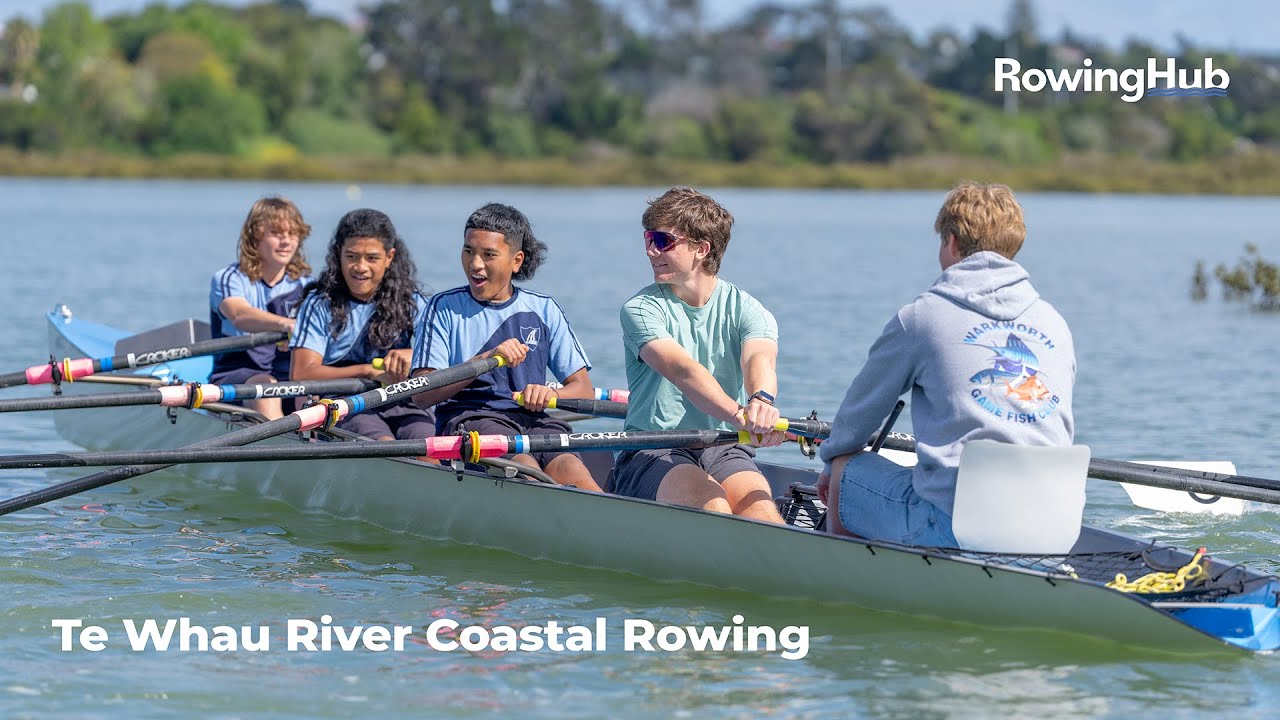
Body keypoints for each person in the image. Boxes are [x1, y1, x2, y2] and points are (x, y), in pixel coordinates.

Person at [818, 181, 1076, 546]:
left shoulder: (923, 317)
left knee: (844, 468)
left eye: (941, 243)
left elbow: (857, 418)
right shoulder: (1054, 323)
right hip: (1053, 528)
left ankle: (850, 579)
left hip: (957, 526)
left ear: (952, 242)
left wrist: (829, 461)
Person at [610, 186, 786, 523]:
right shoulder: (640, 309)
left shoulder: (749, 310)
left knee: (761, 511)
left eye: (662, 241)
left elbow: (758, 359)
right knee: (713, 504)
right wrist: (742, 417)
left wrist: (761, 401)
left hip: (724, 444)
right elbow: (684, 372)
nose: (650, 250)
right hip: (652, 447)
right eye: (648, 239)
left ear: (701, 249)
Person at [409, 203, 602, 492]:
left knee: (570, 466)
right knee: (523, 462)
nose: (475, 264)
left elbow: (583, 390)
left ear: (516, 260)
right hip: (472, 419)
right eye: (468, 251)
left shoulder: (544, 309)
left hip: (536, 421)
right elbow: (421, 395)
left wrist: (550, 394)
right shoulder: (443, 308)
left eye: (488, 255)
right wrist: (486, 359)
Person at [289, 208, 435, 441]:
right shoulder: (320, 303)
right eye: (352, 256)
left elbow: (444, 356)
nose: (361, 267)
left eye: (372, 258)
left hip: (401, 398)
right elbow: (301, 373)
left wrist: (415, 354)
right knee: (384, 444)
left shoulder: (412, 301)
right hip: (344, 403)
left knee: (429, 449)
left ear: (389, 258)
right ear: (339, 254)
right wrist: (367, 371)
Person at [209, 196, 312, 420]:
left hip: (290, 374)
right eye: (276, 233)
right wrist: (285, 325)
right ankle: (282, 449)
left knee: (319, 389)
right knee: (265, 386)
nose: (286, 242)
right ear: (255, 238)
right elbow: (239, 315)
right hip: (236, 373)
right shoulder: (230, 278)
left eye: (292, 234)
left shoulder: (306, 285)